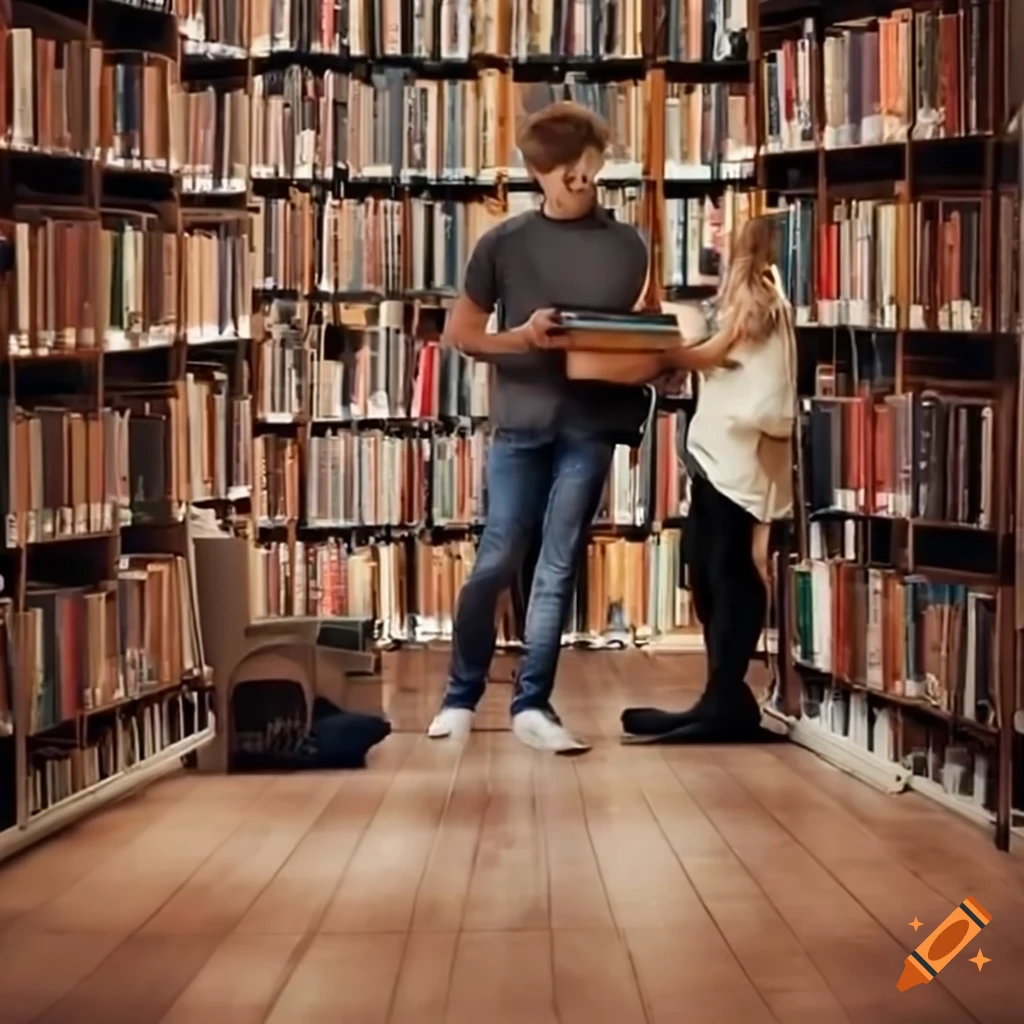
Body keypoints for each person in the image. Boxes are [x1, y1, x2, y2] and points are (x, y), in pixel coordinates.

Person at [428, 100, 739, 754]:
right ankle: (460, 694)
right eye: (567, 173)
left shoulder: (629, 247)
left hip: (592, 427)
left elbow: (633, 340)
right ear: (537, 172)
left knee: (559, 562)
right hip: (522, 423)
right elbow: (462, 334)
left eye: (590, 173)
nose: (580, 184)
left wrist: (659, 367)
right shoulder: (502, 245)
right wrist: (523, 337)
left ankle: (533, 704)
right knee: (497, 558)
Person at [621, 215, 797, 744]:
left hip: (739, 462)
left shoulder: (766, 304)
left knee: (726, 571)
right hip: (718, 458)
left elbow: (767, 396)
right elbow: (719, 353)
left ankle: (724, 695)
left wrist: (675, 356)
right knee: (706, 569)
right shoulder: (746, 306)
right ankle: (721, 694)